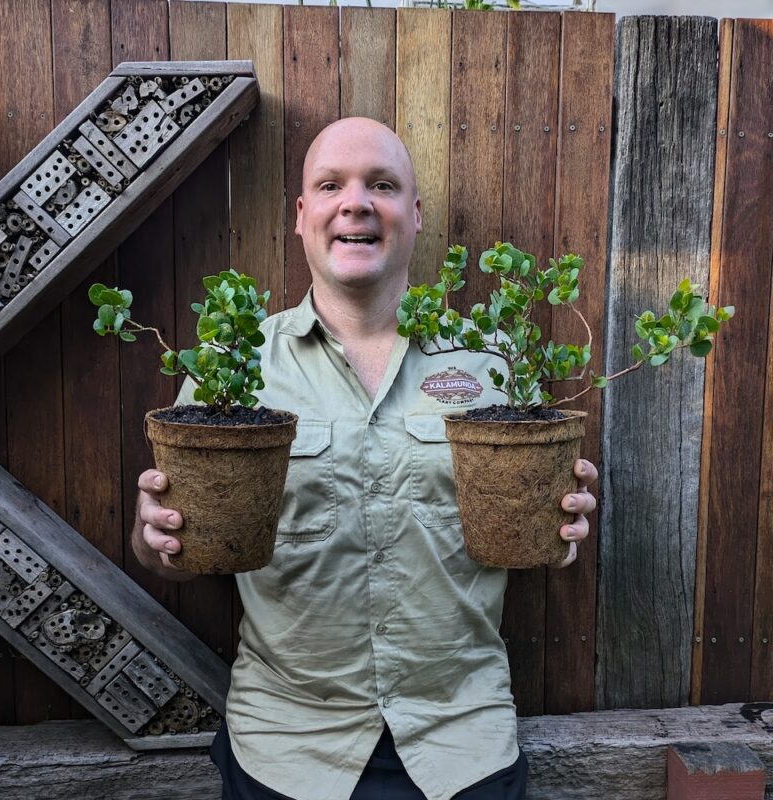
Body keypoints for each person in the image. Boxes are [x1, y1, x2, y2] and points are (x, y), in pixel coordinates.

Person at [133, 117, 598, 800]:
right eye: (331, 186)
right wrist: (155, 540)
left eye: (382, 185)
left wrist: (565, 528)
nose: (356, 203)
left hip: (460, 741)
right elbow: (170, 554)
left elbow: (542, 543)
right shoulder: (231, 372)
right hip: (286, 745)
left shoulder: (492, 365)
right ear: (301, 216)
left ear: (413, 214)